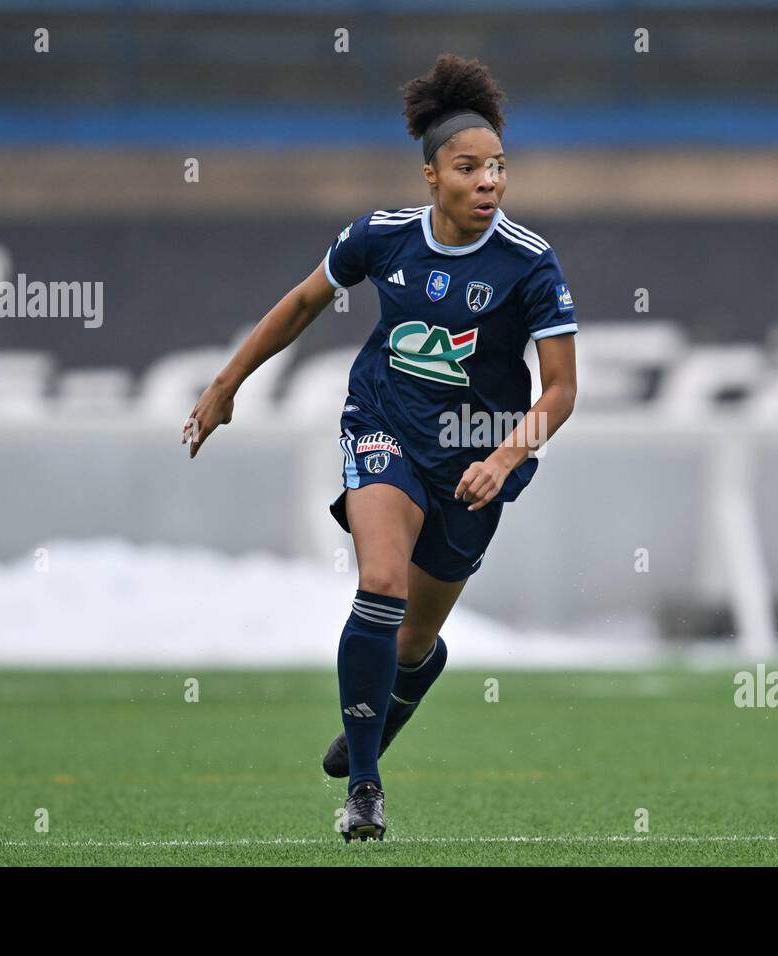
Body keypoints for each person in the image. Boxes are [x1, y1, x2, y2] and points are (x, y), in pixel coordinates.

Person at [183, 54, 578, 841]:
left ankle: (388, 708)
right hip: (383, 425)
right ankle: (365, 787)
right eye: (469, 168)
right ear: (432, 175)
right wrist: (227, 383)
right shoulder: (380, 237)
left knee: (414, 641)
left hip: (472, 457)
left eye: (498, 167)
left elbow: (561, 389)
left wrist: (500, 461)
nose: (488, 182)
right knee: (382, 580)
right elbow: (302, 304)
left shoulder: (530, 263)